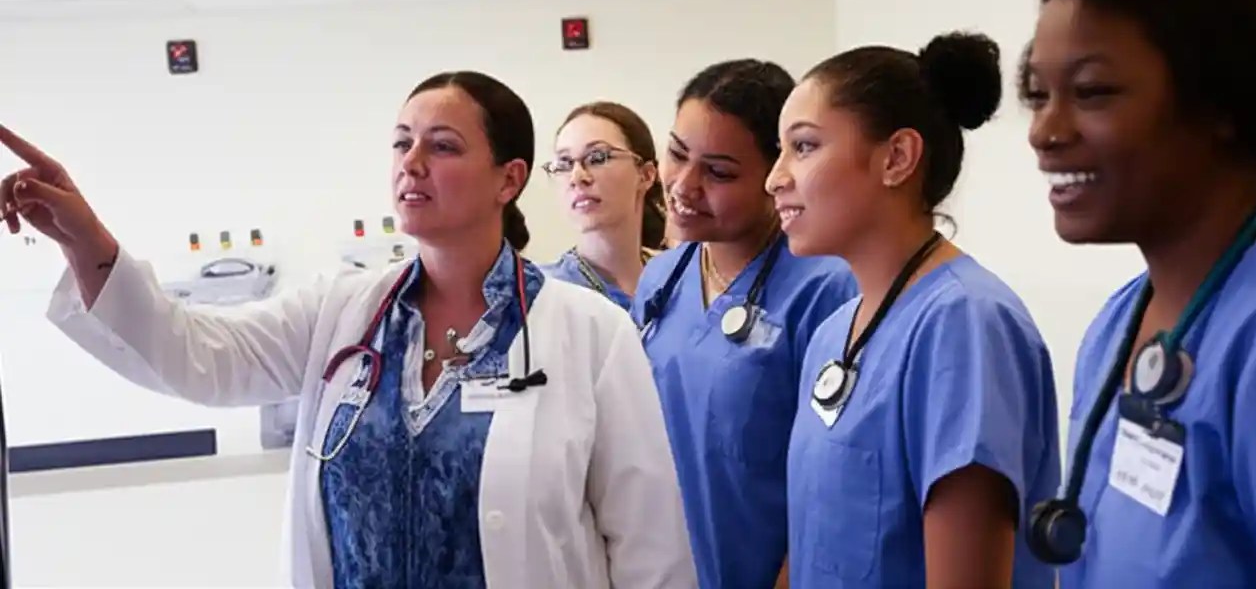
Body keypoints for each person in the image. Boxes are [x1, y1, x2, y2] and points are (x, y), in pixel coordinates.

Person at [0, 70, 696, 589]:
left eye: (443, 146)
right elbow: (199, 357)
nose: (410, 163)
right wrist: (85, 239)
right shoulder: (341, 315)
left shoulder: (590, 332)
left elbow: (651, 549)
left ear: (508, 179)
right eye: (401, 142)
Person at [1020, 0, 1256, 587]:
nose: (1045, 131)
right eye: (1038, 93)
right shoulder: (1120, 323)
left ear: (1221, 97)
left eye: (1094, 92)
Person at [769, 32, 1061, 588]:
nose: (775, 177)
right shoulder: (836, 332)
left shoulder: (965, 324)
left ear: (897, 157)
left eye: (803, 147)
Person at [632, 59, 858, 589]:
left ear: (776, 175)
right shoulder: (662, 278)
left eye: (719, 172)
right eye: (677, 155)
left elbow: (836, 483)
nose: (684, 186)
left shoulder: (825, 289)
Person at [541, 101, 666, 310]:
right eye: (564, 163)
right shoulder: (540, 295)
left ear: (645, 175)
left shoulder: (681, 279)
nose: (577, 176)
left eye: (597, 157)